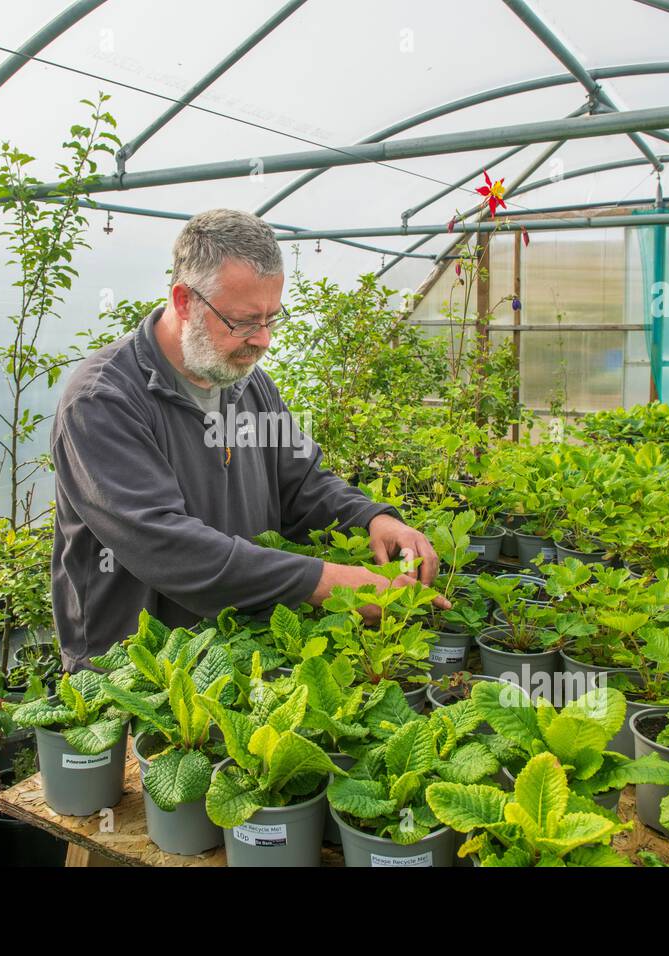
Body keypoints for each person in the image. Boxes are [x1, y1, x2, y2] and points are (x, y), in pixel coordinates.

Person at [49, 208, 447, 672]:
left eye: (271, 318)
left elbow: (302, 484)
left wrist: (374, 519)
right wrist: (328, 581)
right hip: (134, 672)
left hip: (236, 650)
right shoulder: (103, 401)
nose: (263, 340)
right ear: (183, 301)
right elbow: (167, 546)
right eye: (242, 321)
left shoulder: (246, 382)